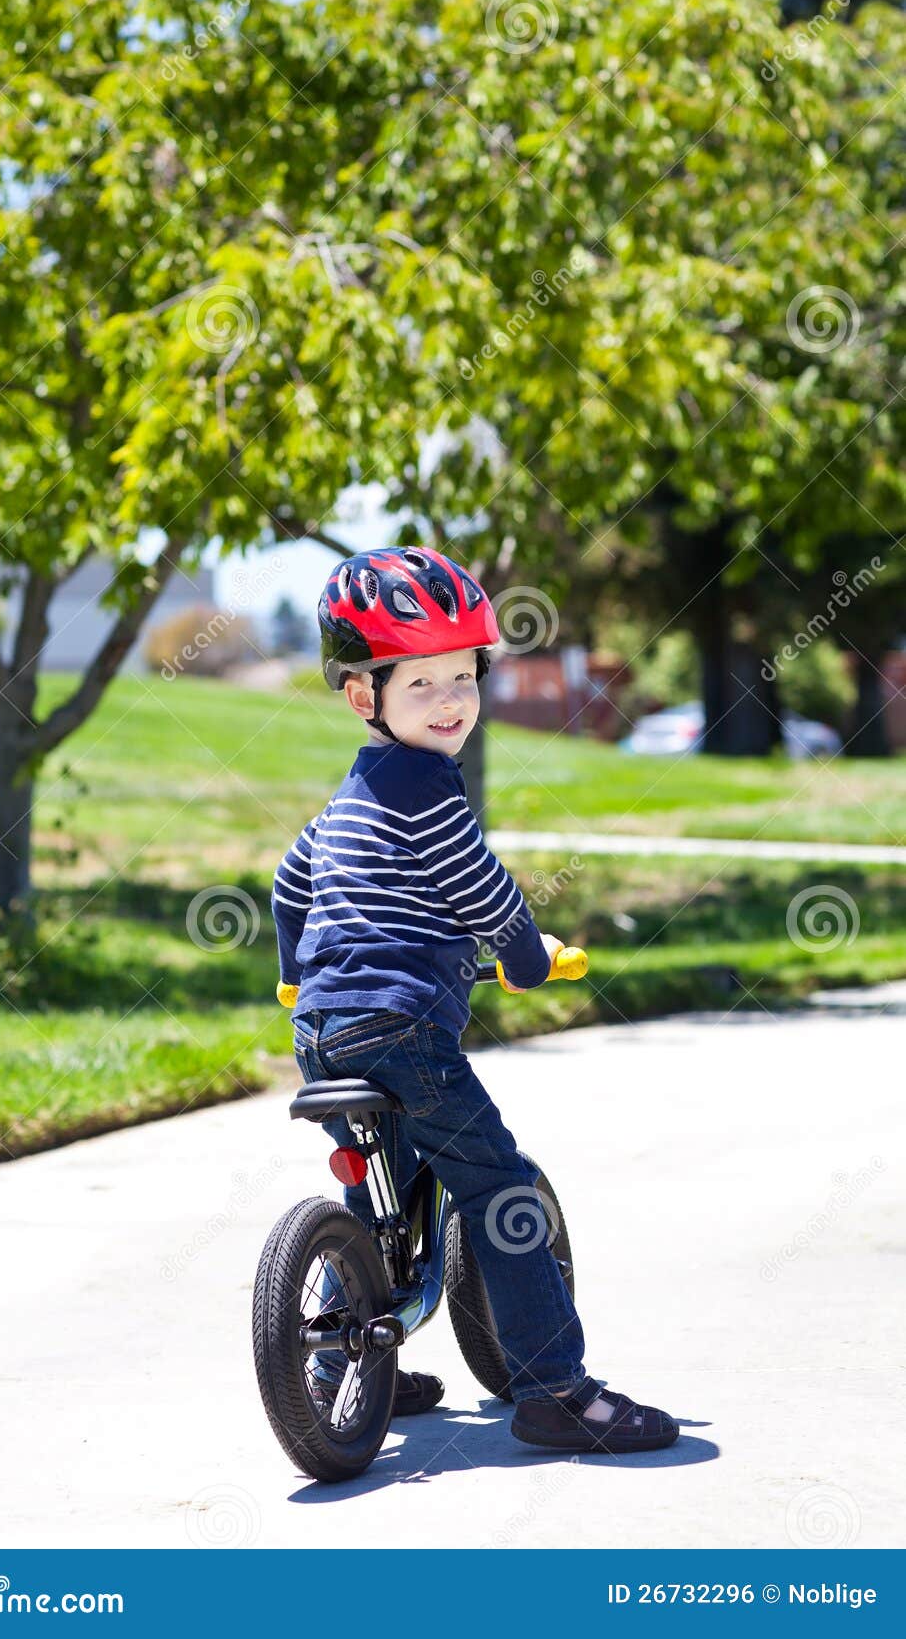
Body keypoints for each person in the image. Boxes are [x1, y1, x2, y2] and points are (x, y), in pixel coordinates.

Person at [270, 545, 678, 1452]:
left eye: (464, 676)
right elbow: (482, 888)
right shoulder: (429, 791)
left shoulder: (346, 800)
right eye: (423, 685)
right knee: (499, 1190)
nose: (451, 701)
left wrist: (296, 974)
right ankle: (555, 1392)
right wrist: (527, 958)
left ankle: (344, 1360)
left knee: (390, 1192)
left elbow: (288, 882)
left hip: (323, 1034)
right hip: (405, 1029)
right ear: (362, 695)